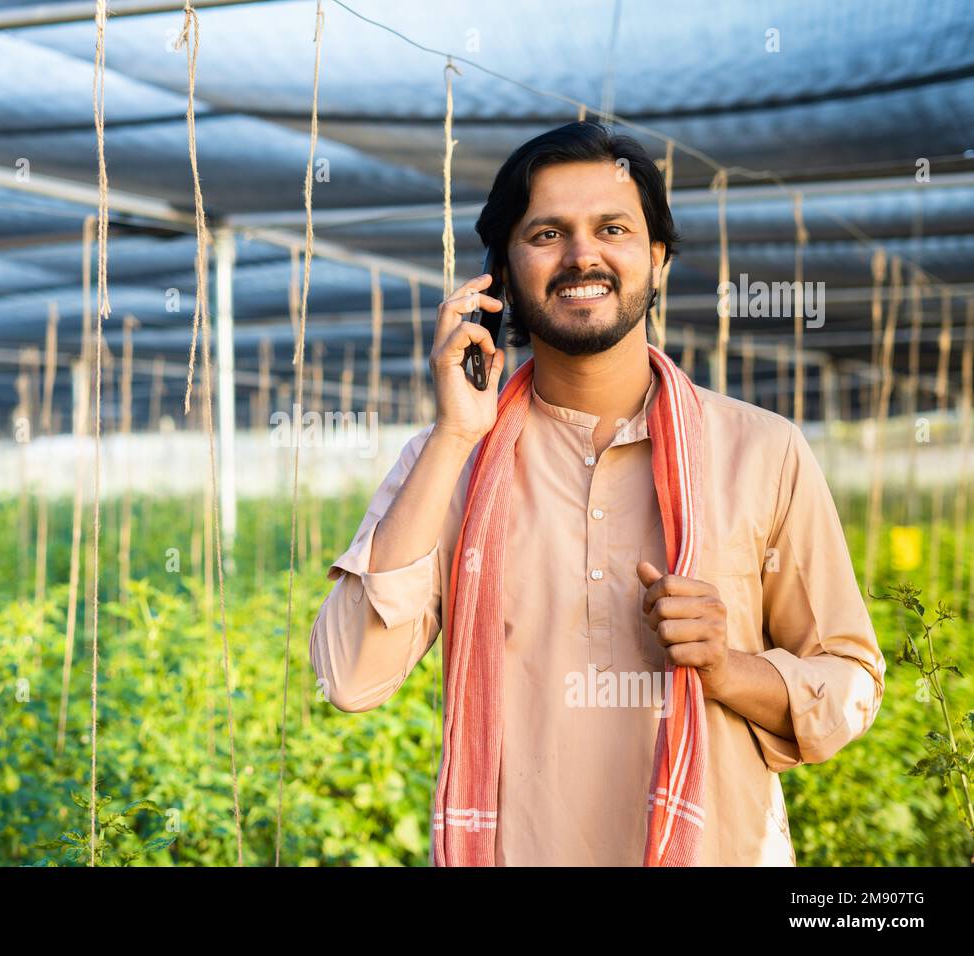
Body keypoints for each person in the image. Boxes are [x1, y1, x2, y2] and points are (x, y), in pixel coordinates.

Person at [308, 121, 885, 866]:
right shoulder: (448, 459)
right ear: (502, 273)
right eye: (546, 233)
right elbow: (351, 678)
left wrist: (727, 667)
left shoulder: (763, 450)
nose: (583, 255)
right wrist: (454, 435)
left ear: (655, 258)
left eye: (612, 228)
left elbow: (851, 683)